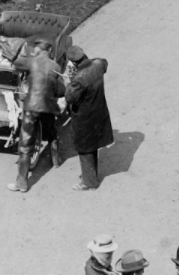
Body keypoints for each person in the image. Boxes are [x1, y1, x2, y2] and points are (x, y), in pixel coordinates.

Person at [8, 39, 65, 193]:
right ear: (50, 52)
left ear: (38, 51)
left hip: (32, 107)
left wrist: (16, 55)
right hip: (48, 107)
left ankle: (22, 183)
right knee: (51, 131)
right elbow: (61, 90)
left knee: (26, 145)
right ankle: (56, 160)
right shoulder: (55, 66)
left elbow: (15, 64)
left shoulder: (32, 62)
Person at [64, 46, 113, 191]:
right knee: (93, 145)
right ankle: (89, 175)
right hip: (99, 111)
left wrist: (68, 81)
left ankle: (89, 182)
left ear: (72, 63)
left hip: (84, 117)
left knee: (85, 148)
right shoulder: (98, 64)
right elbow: (104, 63)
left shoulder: (79, 79)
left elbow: (69, 97)